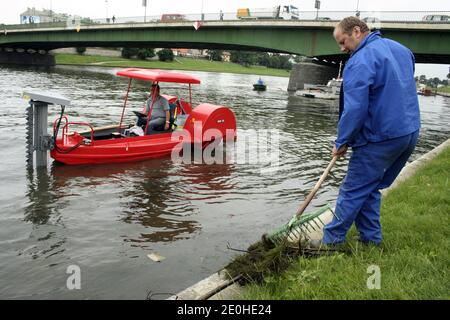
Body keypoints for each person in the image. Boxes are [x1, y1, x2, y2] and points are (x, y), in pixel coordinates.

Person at [314, 17, 420, 247]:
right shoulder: (402, 50)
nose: (342, 48)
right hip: (408, 132)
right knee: (369, 187)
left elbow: (355, 109)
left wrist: (342, 140)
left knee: (352, 190)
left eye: (343, 41)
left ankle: (330, 243)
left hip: (380, 136)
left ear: (356, 31)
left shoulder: (359, 61)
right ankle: (371, 240)